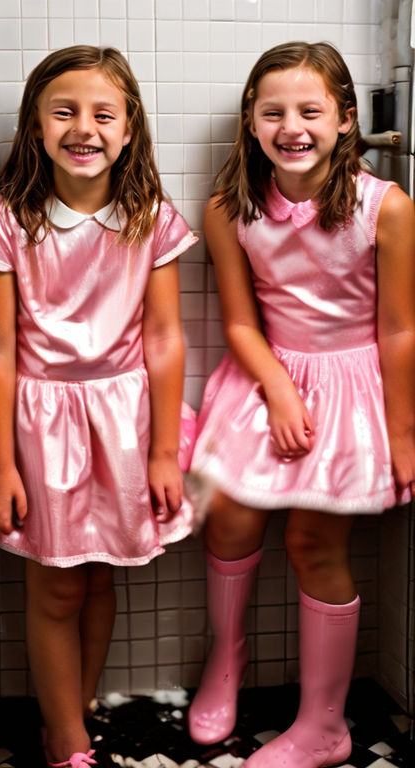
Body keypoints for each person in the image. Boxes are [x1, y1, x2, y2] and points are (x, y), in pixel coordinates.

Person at [0, 46, 197, 768]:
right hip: (44, 425)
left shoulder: (147, 216)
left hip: (124, 421)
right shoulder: (3, 221)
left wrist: (160, 450)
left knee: (97, 575)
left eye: (102, 114)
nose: (83, 127)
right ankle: (66, 743)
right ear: (34, 126)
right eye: (64, 111)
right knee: (56, 586)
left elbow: (164, 338)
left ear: (128, 131)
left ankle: (75, 708)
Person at [187, 41, 415, 767]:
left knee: (313, 543)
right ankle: (227, 657)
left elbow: (401, 328)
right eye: (273, 111)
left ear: (346, 120)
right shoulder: (230, 208)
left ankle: (323, 724)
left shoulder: (389, 207)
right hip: (265, 373)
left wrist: (404, 431)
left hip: (352, 386)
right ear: (251, 123)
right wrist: (279, 389)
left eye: (310, 110)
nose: (292, 125)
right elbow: (239, 322)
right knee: (227, 509)